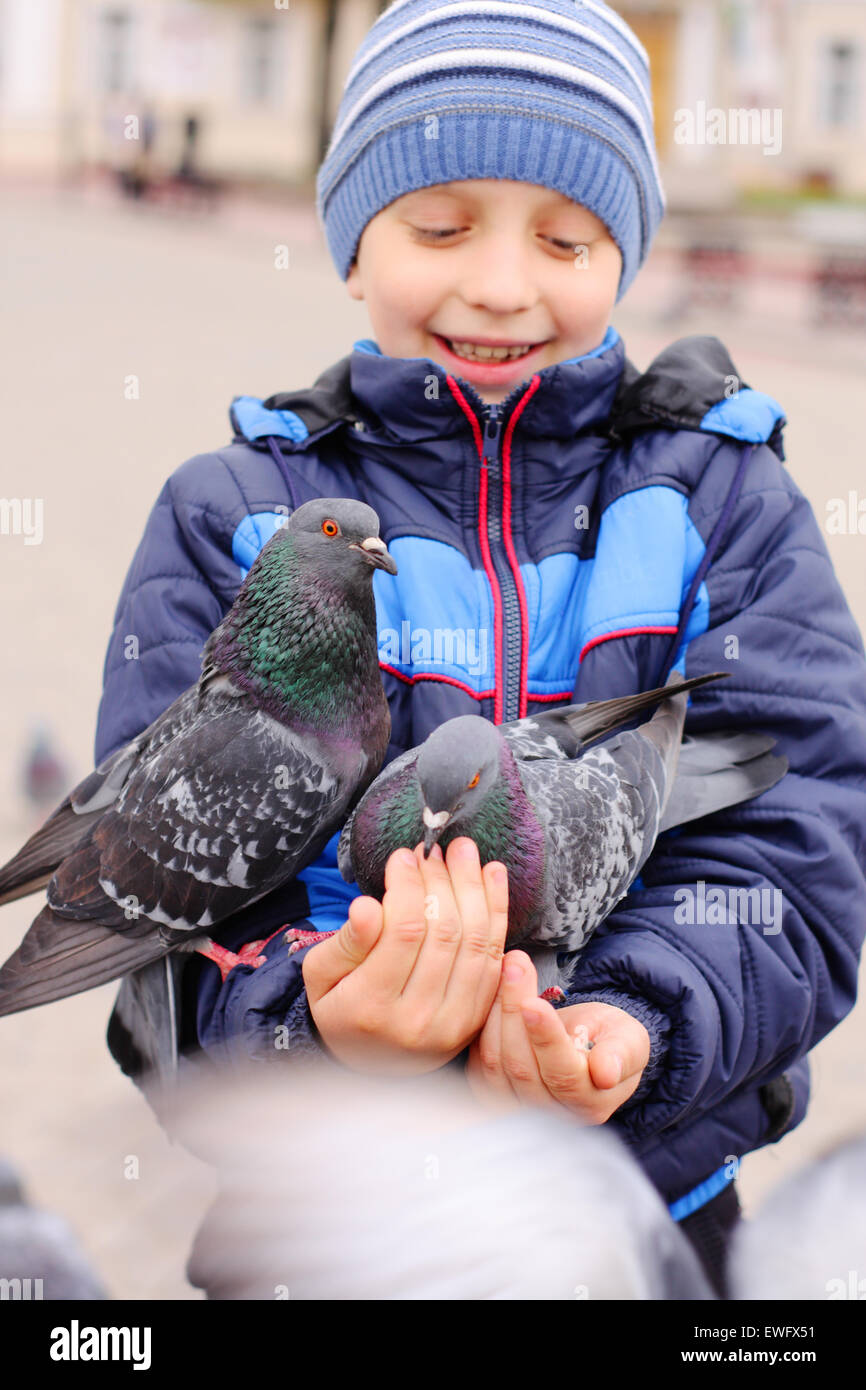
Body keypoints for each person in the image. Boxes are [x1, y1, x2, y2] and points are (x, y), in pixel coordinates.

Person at [94, 0, 866, 1298]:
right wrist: (314, 1024)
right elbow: (158, 904)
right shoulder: (231, 516)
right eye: (438, 225)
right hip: (330, 1223)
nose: (502, 284)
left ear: (624, 253)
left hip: (646, 1210)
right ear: (349, 244)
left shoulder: (721, 501)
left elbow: (802, 835)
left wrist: (636, 1015)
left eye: (566, 236)